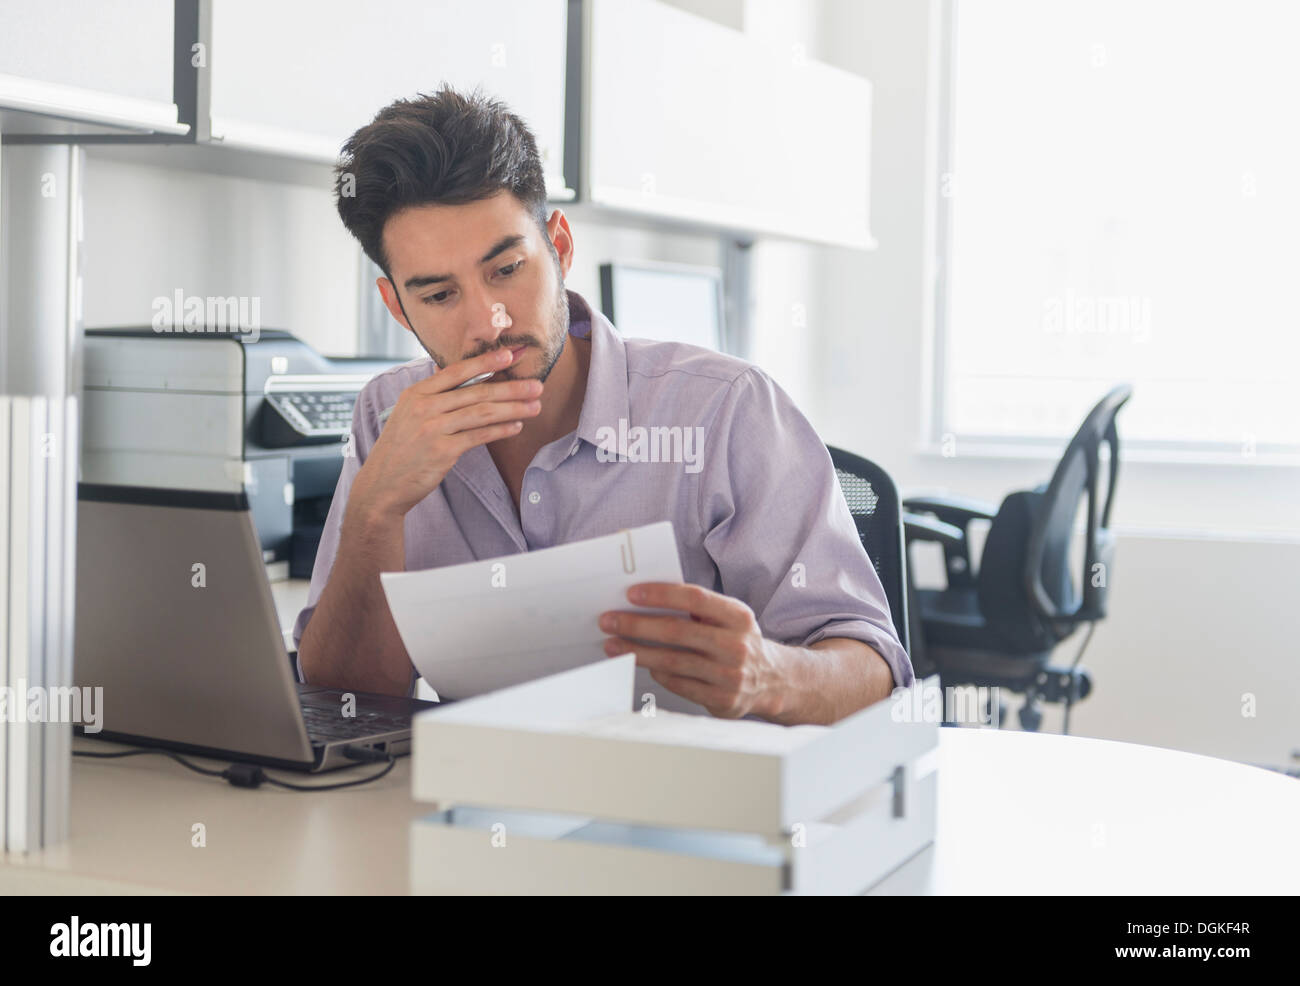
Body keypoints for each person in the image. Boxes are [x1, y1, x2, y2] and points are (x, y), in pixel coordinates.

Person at [294, 85, 912, 724]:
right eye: (440, 296)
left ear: (558, 245)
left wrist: (770, 677)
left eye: (506, 269)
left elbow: (875, 673)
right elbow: (348, 702)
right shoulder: (385, 415)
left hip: (690, 806)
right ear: (397, 305)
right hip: (474, 804)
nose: (490, 321)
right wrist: (373, 513)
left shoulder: (724, 409)